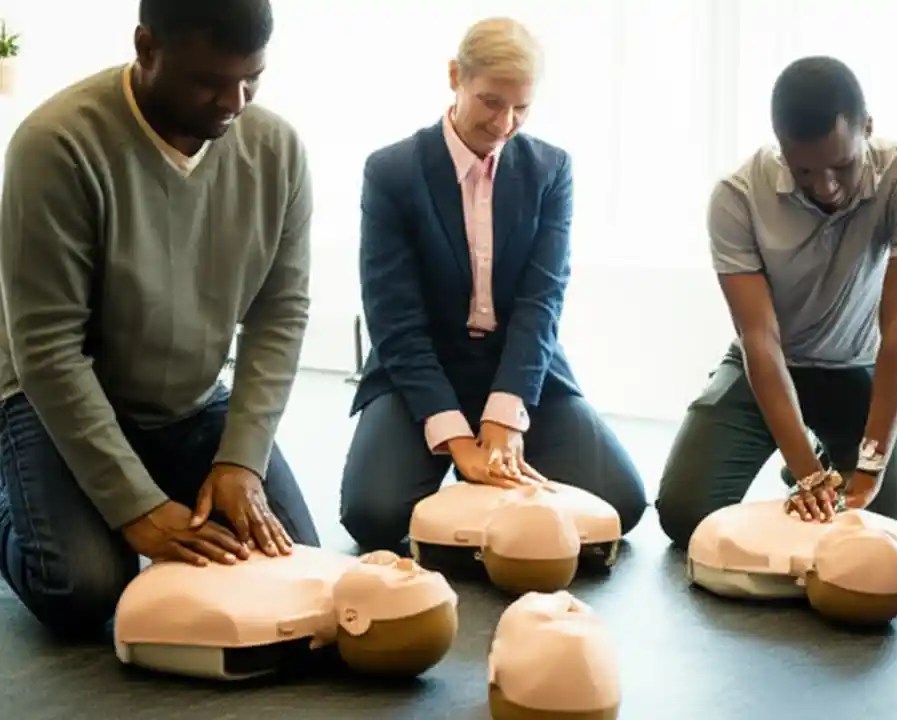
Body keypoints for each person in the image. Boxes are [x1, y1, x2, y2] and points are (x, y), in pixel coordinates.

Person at [0, 0, 320, 640]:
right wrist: (135, 506)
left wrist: (241, 463)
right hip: (47, 398)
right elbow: (48, 348)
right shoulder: (55, 145)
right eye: (209, 81)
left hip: (190, 400)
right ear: (146, 48)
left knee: (290, 560)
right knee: (84, 587)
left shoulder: (277, 150)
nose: (233, 101)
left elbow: (280, 315)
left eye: (250, 77)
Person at [340, 17, 648, 552]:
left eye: (521, 107)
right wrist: (458, 439)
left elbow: (541, 300)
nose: (506, 123)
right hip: (421, 368)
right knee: (373, 516)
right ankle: (478, 480)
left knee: (621, 500)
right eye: (490, 102)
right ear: (456, 76)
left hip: (519, 365)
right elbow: (394, 319)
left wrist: (505, 416)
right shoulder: (391, 172)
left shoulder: (550, 170)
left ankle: (485, 490)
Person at [654, 56, 897, 548]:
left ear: (867, 128)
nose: (826, 186)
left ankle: (826, 456)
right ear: (780, 145)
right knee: (685, 515)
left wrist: (871, 464)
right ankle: (806, 455)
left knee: (889, 530)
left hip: (859, 367)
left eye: (842, 166)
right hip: (765, 365)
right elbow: (758, 339)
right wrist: (809, 474)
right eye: (805, 170)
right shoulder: (736, 196)